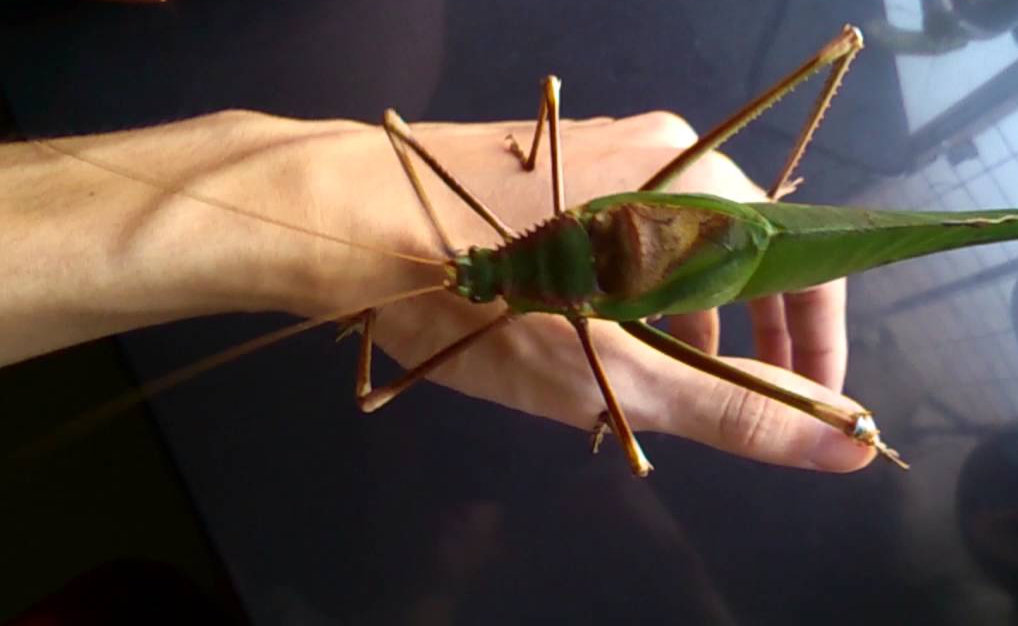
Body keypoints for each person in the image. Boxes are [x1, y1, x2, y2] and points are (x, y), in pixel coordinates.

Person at [0, 109, 873, 472]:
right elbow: (421, 124)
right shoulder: (512, 266)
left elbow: (374, 397)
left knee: (382, 396)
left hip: (642, 261)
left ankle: (848, 416)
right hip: (653, 255)